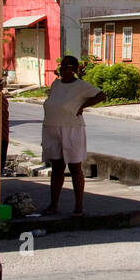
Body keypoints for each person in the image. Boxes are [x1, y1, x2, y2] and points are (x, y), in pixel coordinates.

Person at [41, 56, 106, 216]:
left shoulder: (81, 86)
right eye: (61, 66)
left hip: (71, 129)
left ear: (75, 69)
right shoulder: (56, 84)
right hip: (52, 127)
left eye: (66, 66)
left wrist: (82, 106)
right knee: (57, 167)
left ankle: (79, 206)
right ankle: (53, 204)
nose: (62, 69)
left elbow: (101, 95)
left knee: (75, 167)